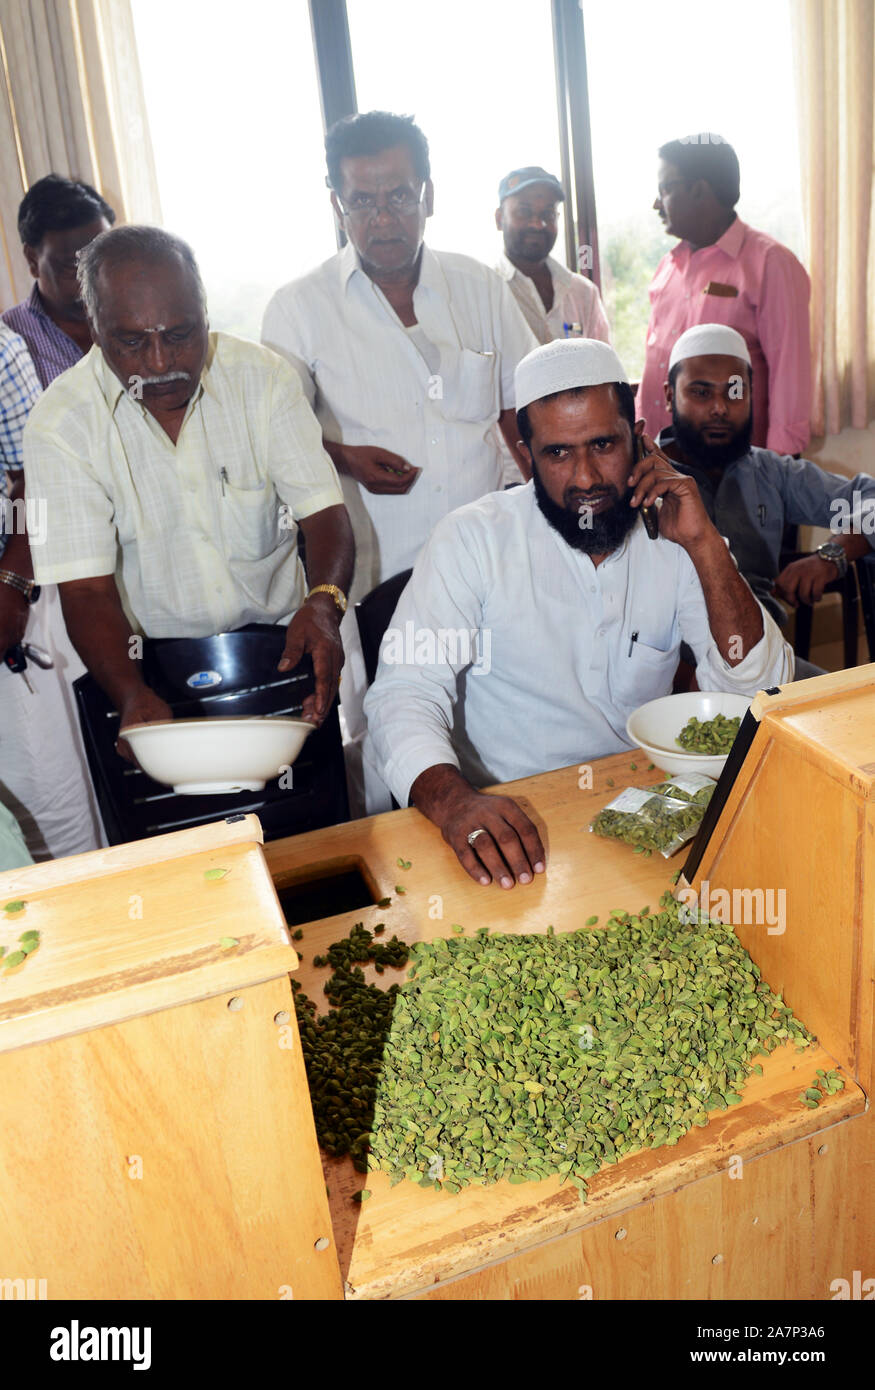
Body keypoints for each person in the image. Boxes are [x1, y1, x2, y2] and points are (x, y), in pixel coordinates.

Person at [363, 338, 792, 888]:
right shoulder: (472, 540)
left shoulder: (677, 528)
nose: (586, 477)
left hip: (643, 817)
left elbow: (760, 691)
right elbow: (403, 693)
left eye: (604, 445)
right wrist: (455, 805)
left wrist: (705, 544)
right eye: (558, 453)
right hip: (501, 821)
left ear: (637, 437)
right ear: (526, 456)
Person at [262, 110, 538, 813]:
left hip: (492, 557)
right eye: (361, 200)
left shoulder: (479, 286)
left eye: (399, 197)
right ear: (336, 204)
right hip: (381, 571)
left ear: (429, 196)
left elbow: (519, 410)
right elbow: (274, 437)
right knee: (401, 728)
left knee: (504, 720)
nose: (382, 218)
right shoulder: (298, 309)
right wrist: (344, 456)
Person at [24, 226, 354, 740]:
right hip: (144, 670)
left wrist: (324, 601)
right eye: (132, 341)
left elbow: (324, 512)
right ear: (94, 325)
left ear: (206, 313)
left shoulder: (261, 378)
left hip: (286, 649)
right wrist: (131, 694)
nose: (160, 363)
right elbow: (87, 591)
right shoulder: (62, 423)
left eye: (180, 336)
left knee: (318, 818)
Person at [658, 324, 875, 674]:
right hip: (664, 668)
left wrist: (831, 554)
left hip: (759, 664)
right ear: (670, 395)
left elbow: (870, 500)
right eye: (700, 393)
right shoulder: (644, 478)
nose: (719, 408)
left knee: (854, 724)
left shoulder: (771, 473)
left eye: (734, 391)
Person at [0, 321, 104, 860]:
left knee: (46, 822)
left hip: (7, 615)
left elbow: (31, 479)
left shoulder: (1, 349)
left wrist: (12, 585)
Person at [637, 135, 811, 456]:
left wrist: (777, 472)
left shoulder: (770, 263)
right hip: (663, 461)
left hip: (735, 467)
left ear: (699, 189)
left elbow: (791, 377)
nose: (656, 203)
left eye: (666, 189)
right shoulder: (668, 266)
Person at [3, 174, 116, 387]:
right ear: (33, 259)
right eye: (73, 266)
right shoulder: (9, 347)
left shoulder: (143, 316)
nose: (97, 277)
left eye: (103, 259)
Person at [494, 165, 610, 346]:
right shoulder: (486, 291)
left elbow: (605, 367)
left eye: (548, 213)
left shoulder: (583, 293)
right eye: (524, 212)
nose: (538, 224)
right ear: (499, 219)